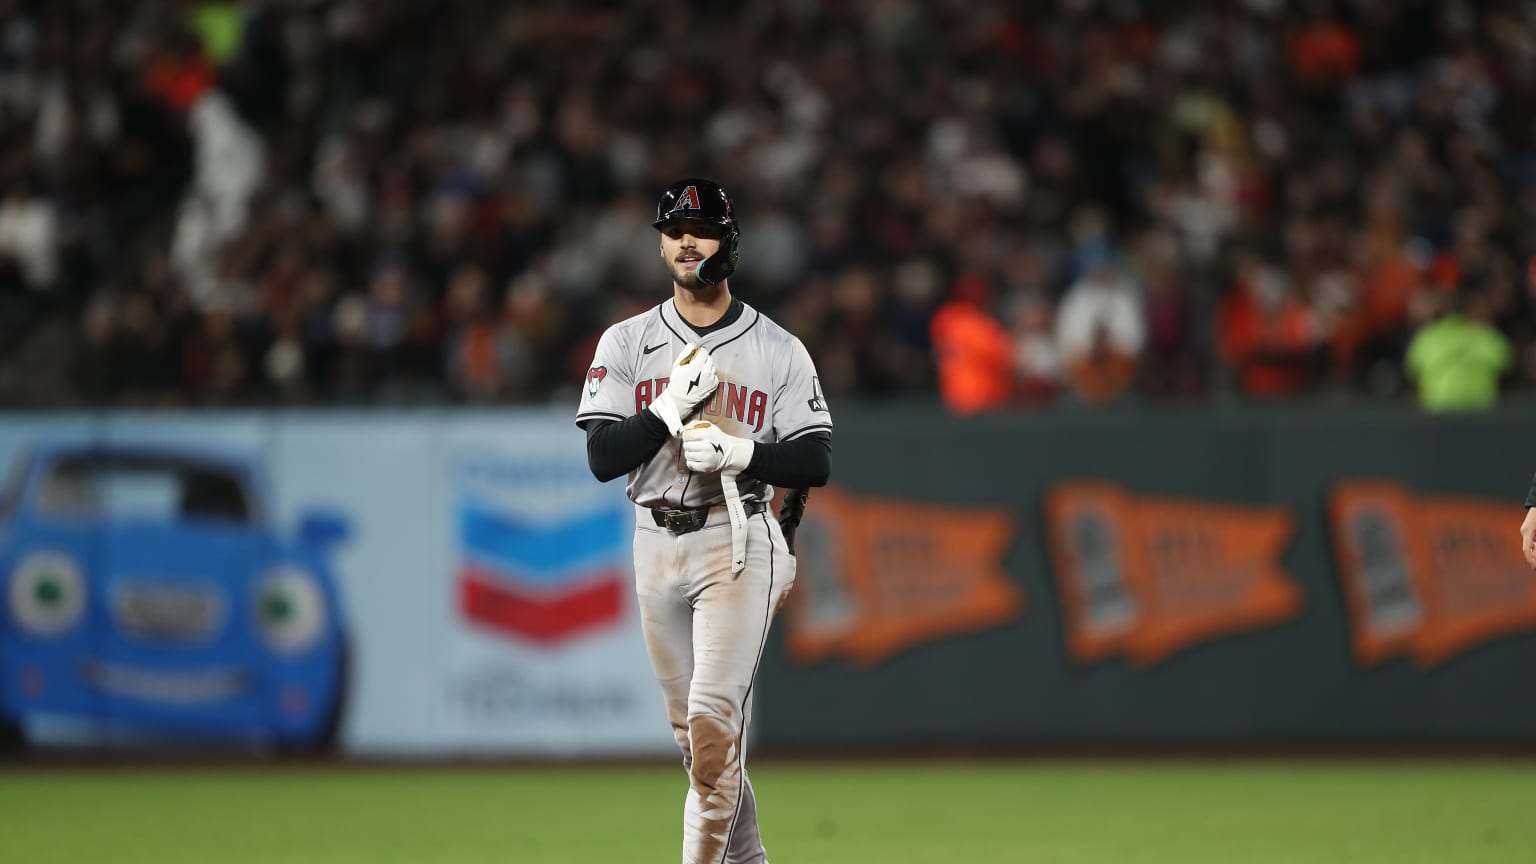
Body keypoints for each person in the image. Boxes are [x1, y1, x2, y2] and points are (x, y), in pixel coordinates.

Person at [575, 178, 832, 864]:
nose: (686, 238)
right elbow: (602, 456)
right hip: (655, 540)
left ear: (730, 242)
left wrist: (742, 450)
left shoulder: (777, 347)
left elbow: (814, 459)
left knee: (715, 728)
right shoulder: (628, 341)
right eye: (673, 227)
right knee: (696, 743)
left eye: (701, 226)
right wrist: (664, 413)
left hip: (738, 535)